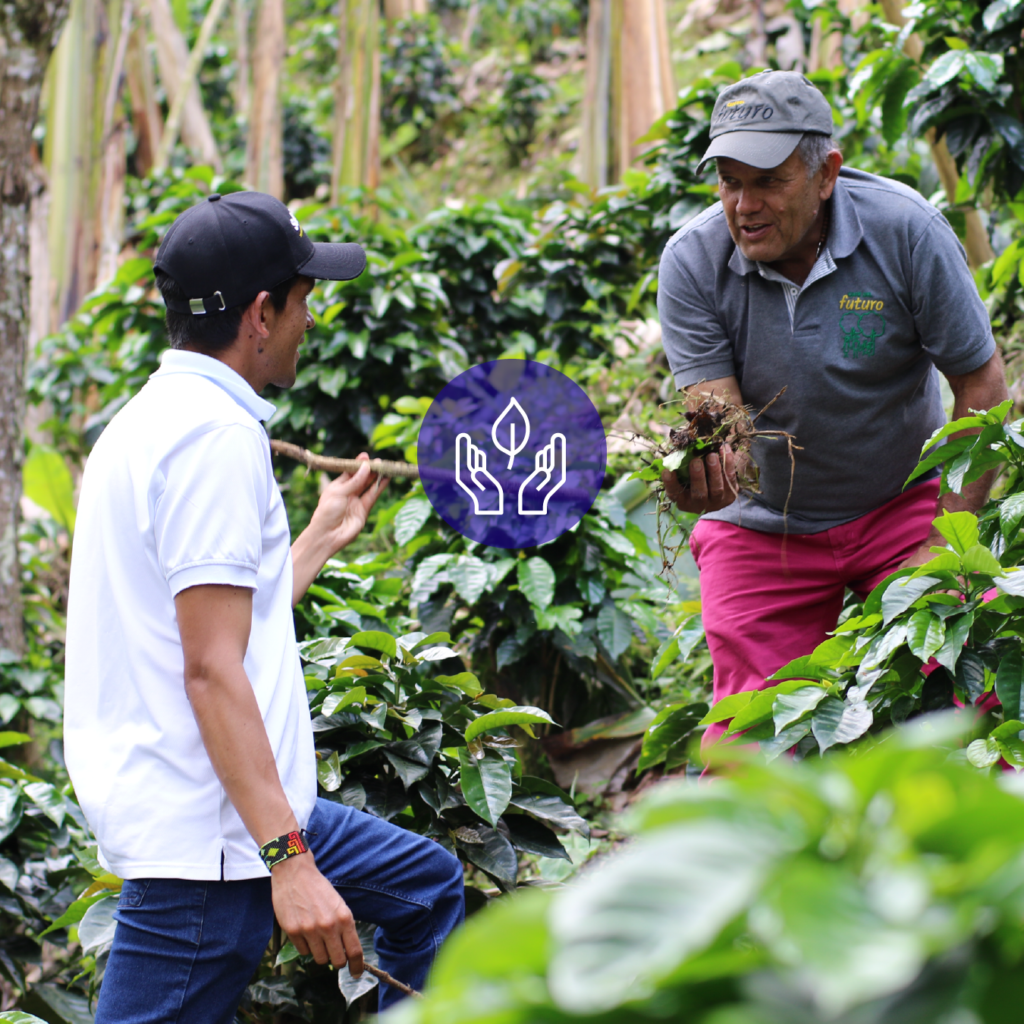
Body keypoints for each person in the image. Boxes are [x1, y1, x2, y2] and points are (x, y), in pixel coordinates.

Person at [63, 191, 465, 1022]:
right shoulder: (212, 439)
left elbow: (208, 622)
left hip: (236, 814)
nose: (310, 319)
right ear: (259, 314)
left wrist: (316, 540)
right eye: (303, 297)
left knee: (427, 890)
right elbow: (211, 667)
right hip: (213, 842)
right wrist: (289, 861)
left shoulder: (147, 422)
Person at [656, 71, 1010, 749]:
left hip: (902, 501)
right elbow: (723, 427)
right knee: (751, 740)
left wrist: (948, 539)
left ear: (826, 175)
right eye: (729, 183)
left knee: (968, 690)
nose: (745, 206)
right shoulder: (692, 263)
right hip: (764, 528)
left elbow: (982, 383)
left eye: (768, 181)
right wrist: (705, 473)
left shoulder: (906, 231)